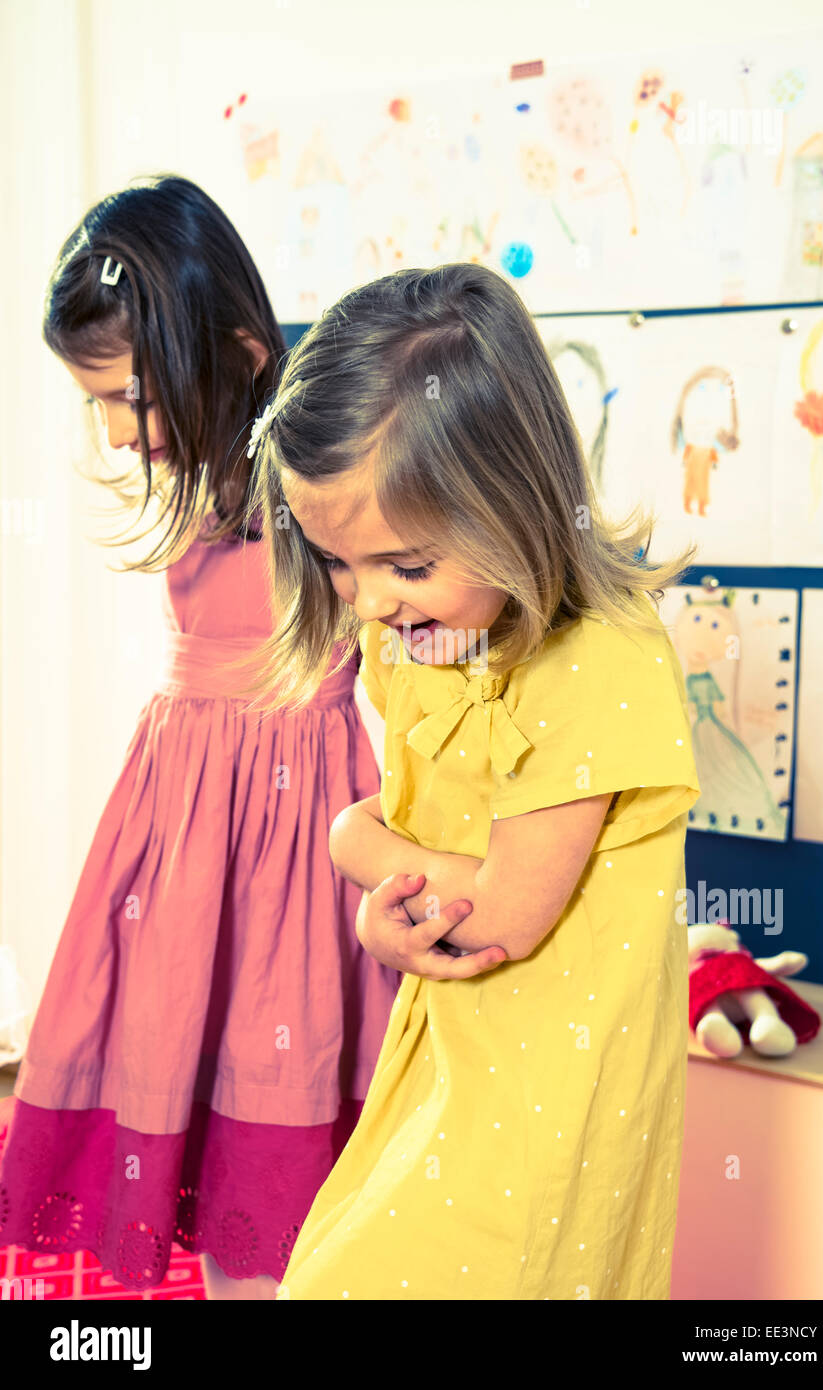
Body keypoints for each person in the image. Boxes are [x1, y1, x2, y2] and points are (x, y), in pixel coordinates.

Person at [242, 261, 703, 1300]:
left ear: (514, 504)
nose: (368, 602)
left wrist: (353, 843)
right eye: (338, 562)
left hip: (548, 1084)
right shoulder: (421, 636)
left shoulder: (600, 660)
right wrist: (386, 913)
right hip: (451, 1048)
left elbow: (499, 908)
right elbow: (430, 852)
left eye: (404, 566)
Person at [0, 175, 399, 1300]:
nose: (118, 432)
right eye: (97, 403)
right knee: (194, 1109)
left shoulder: (319, 482)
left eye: (129, 397)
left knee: (283, 1150)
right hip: (180, 832)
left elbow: (400, 652)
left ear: (238, 353)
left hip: (289, 838)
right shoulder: (202, 477)